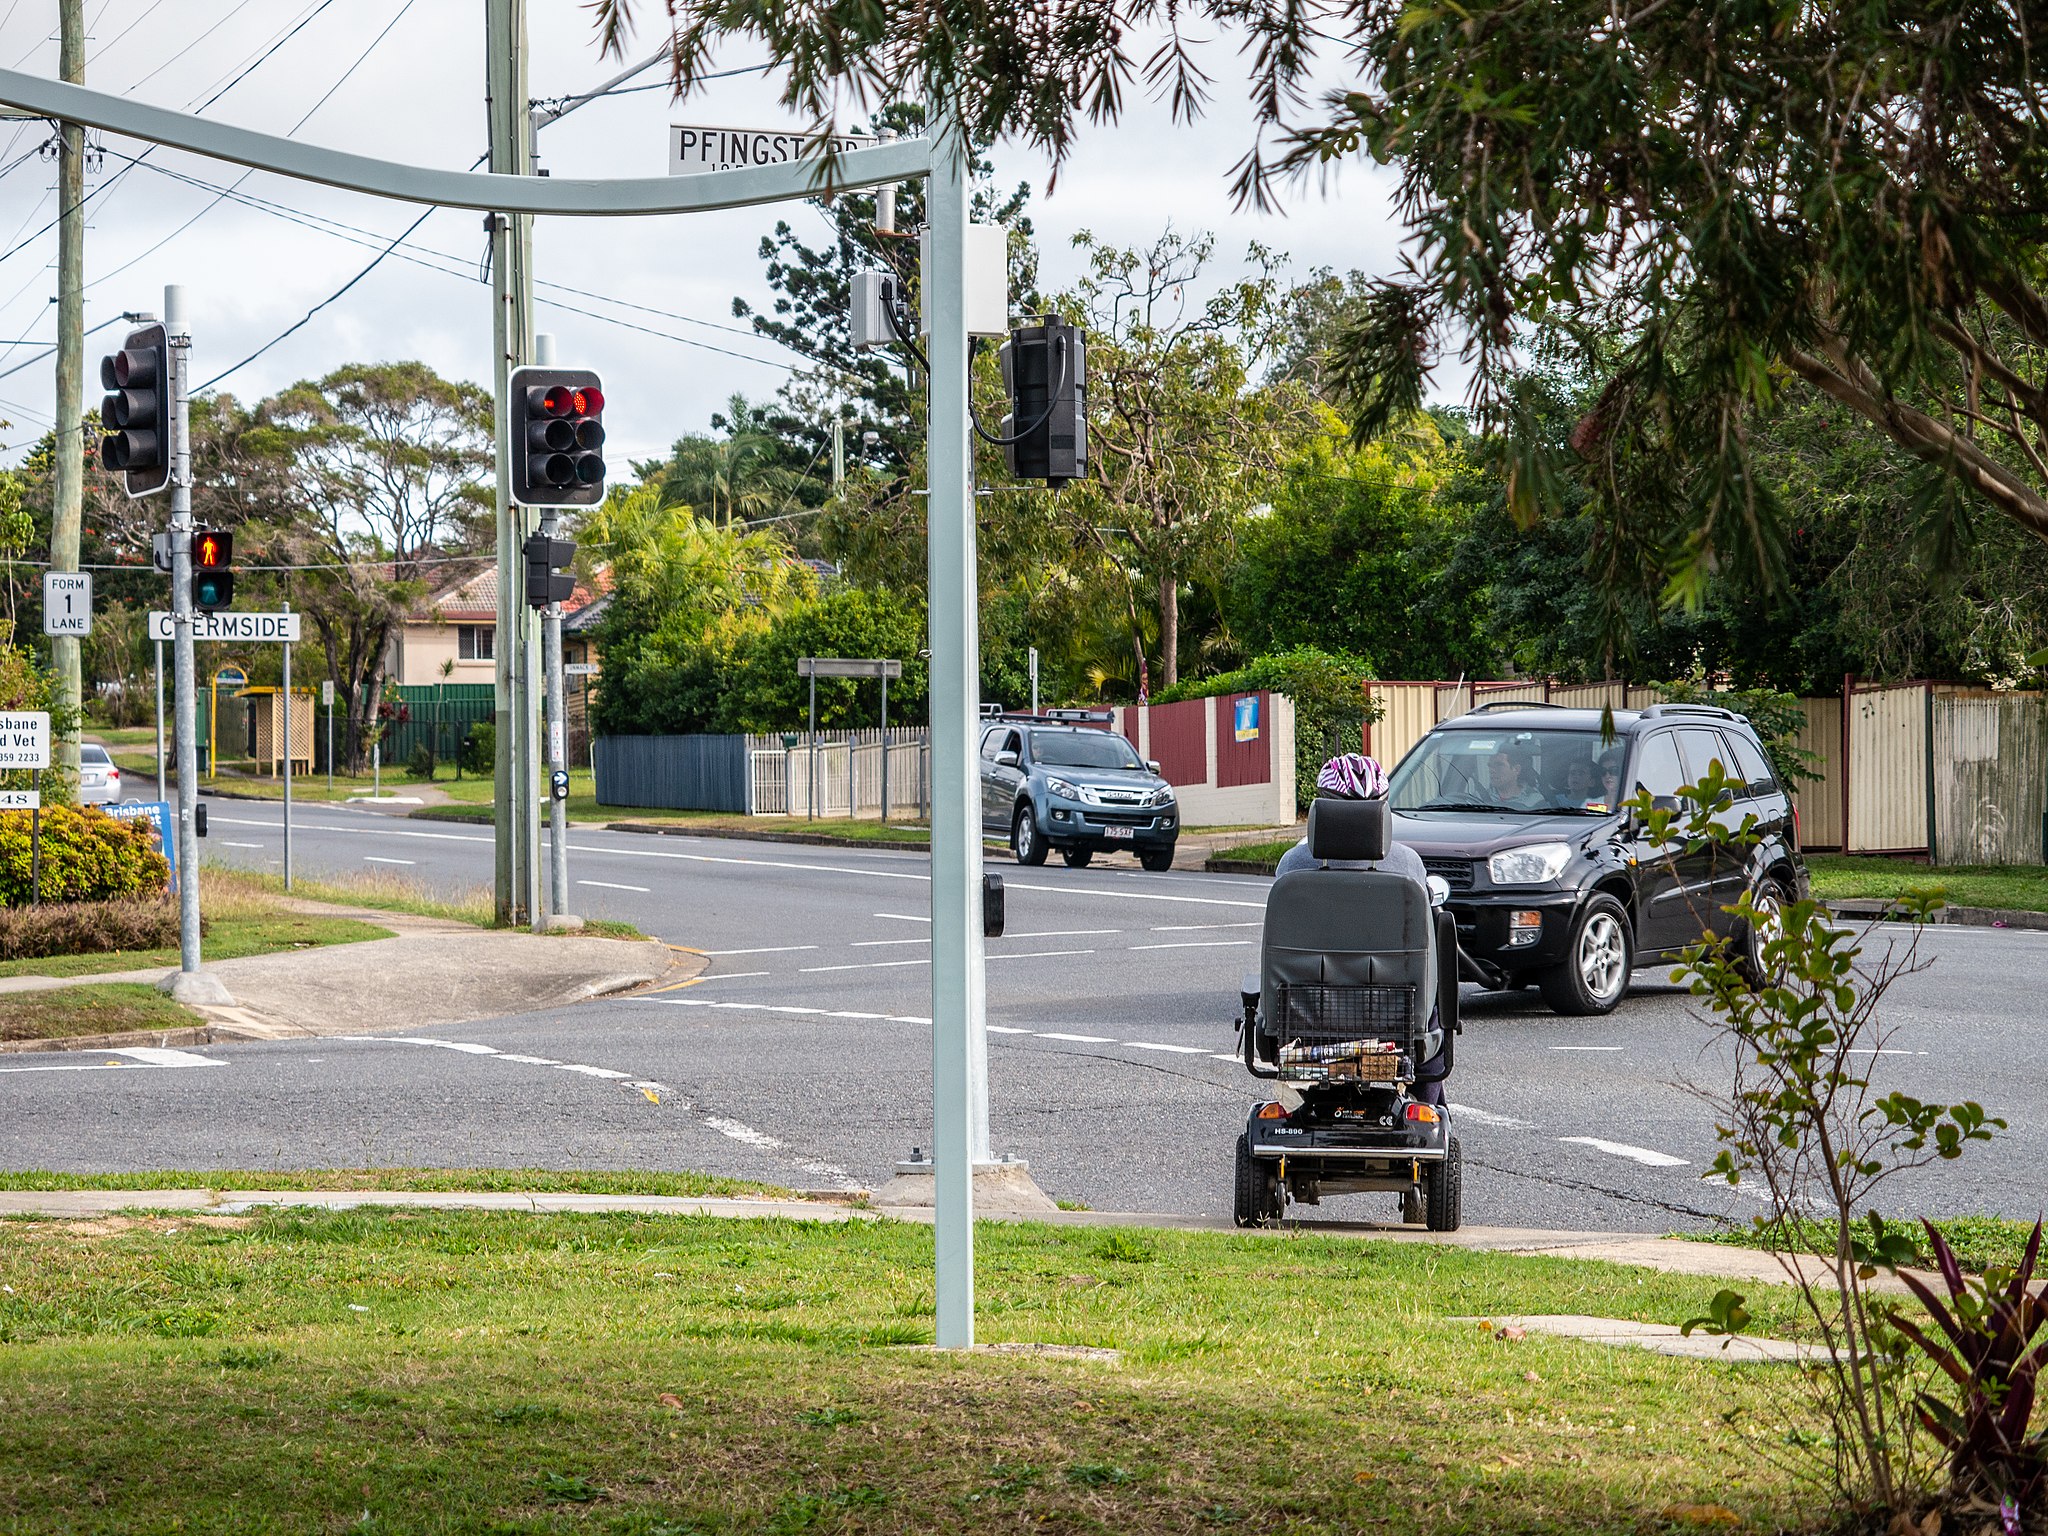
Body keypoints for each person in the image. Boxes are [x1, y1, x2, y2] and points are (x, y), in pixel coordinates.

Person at [1274, 753, 1446, 1112]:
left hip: (1306, 1015)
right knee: (1435, 1004)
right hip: (1395, 1016)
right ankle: (1429, 1107)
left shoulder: (1293, 866)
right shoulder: (1407, 865)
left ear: (1321, 809)